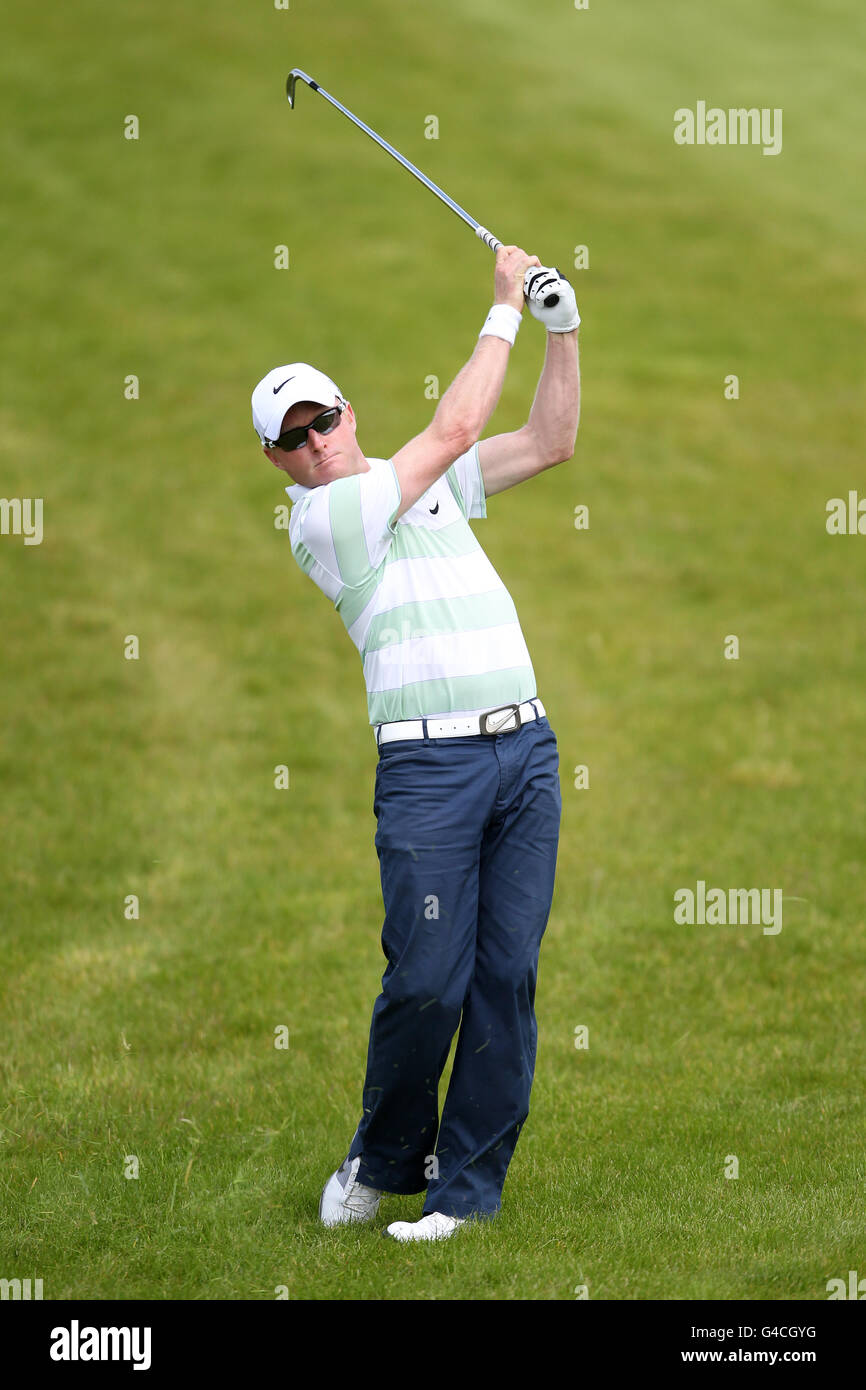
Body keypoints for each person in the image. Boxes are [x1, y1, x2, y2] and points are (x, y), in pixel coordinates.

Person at [250, 246, 580, 1242]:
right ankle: (380, 1157)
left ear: (348, 412)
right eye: (291, 437)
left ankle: (463, 1194)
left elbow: (547, 441)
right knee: (426, 978)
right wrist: (503, 308)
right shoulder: (328, 517)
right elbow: (459, 422)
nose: (314, 442)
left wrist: (561, 331)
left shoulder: (415, 481)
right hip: (429, 771)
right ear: (276, 459)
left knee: (503, 976)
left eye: (323, 419)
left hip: (521, 750)